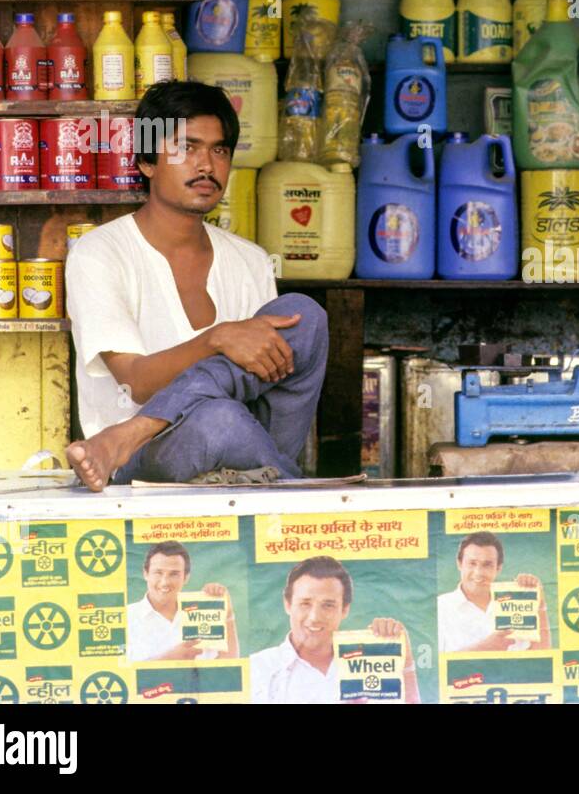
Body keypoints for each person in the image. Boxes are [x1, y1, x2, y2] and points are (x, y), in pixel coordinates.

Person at [63, 81, 329, 490]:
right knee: (219, 418)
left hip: (246, 442)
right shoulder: (100, 253)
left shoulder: (251, 260)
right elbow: (136, 382)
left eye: (219, 150)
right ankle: (285, 485)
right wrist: (217, 340)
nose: (206, 165)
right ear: (147, 162)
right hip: (153, 459)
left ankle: (133, 431)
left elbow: (267, 375)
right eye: (186, 147)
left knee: (306, 315)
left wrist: (227, 347)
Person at [250, 556, 419, 704]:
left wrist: (404, 661)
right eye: (305, 603)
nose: (315, 617)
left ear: (345, 609)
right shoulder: (258, 669)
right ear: (287, 604)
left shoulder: (371, 663)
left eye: (328, 605)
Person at [437, 531, 550, 654]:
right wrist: (486, 647)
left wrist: (538, 601)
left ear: (498, 568)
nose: (478, 572)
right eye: (472, 563)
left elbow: (541, 656)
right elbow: (436, 667)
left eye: (487, 565)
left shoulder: (516, 602)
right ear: (459, 564)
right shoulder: (440, 607)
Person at [126, 540, 239, 662]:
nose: (164, 582)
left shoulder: (203, 612)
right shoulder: (126, 617)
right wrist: (169, 659)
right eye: (158, 573)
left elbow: (228, 664)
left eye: (174, 574)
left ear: (185, 577)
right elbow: (117, 671)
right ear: (145, 573)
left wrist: (227, 613)